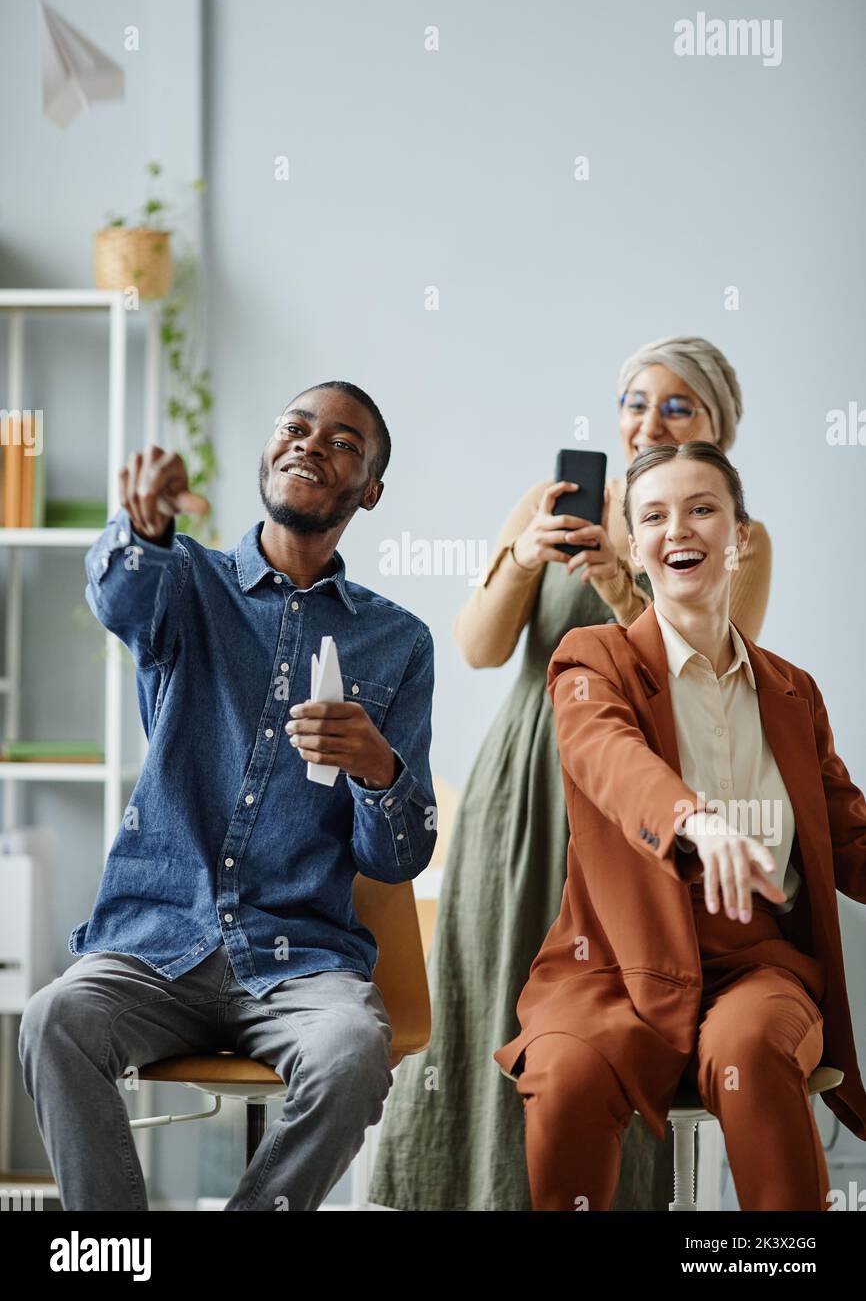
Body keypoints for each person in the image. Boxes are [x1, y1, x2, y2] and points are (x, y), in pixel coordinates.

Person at [368, 335, 771, 1212]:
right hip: (523, 785)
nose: (647, 422)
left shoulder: (737, 538)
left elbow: (712, 683)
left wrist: (626, 592)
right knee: (495, 991)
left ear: (718, 433)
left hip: (638, 796)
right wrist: (524, 559)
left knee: (607, 1014)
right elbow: (477, 649)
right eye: (635, 401)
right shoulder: (553, 502)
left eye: (677, 406)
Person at [18, 382, 438, 1212]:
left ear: (372, 490)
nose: (310, 444)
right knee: (53, 1020)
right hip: (154, 944)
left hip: (301, 962)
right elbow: (119, 594)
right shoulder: (184, 580)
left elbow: (400, 856)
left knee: (354, 1050)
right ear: (267, 452)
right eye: (294, 426)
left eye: (344, 441)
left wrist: (378, 769)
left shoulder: (399, 641)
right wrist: (141, 526)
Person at [495, 439, 866, 1210]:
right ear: (633, 547)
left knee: (752, 1048)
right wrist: (698, 823)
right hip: (611, 966)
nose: (680, 530)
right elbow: (607, 754)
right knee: (564, 1075)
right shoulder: (592, 658)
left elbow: (849, 839)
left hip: (755, 964)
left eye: (704, 509)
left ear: (740, 538)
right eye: (655, 516)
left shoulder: (794, 693)